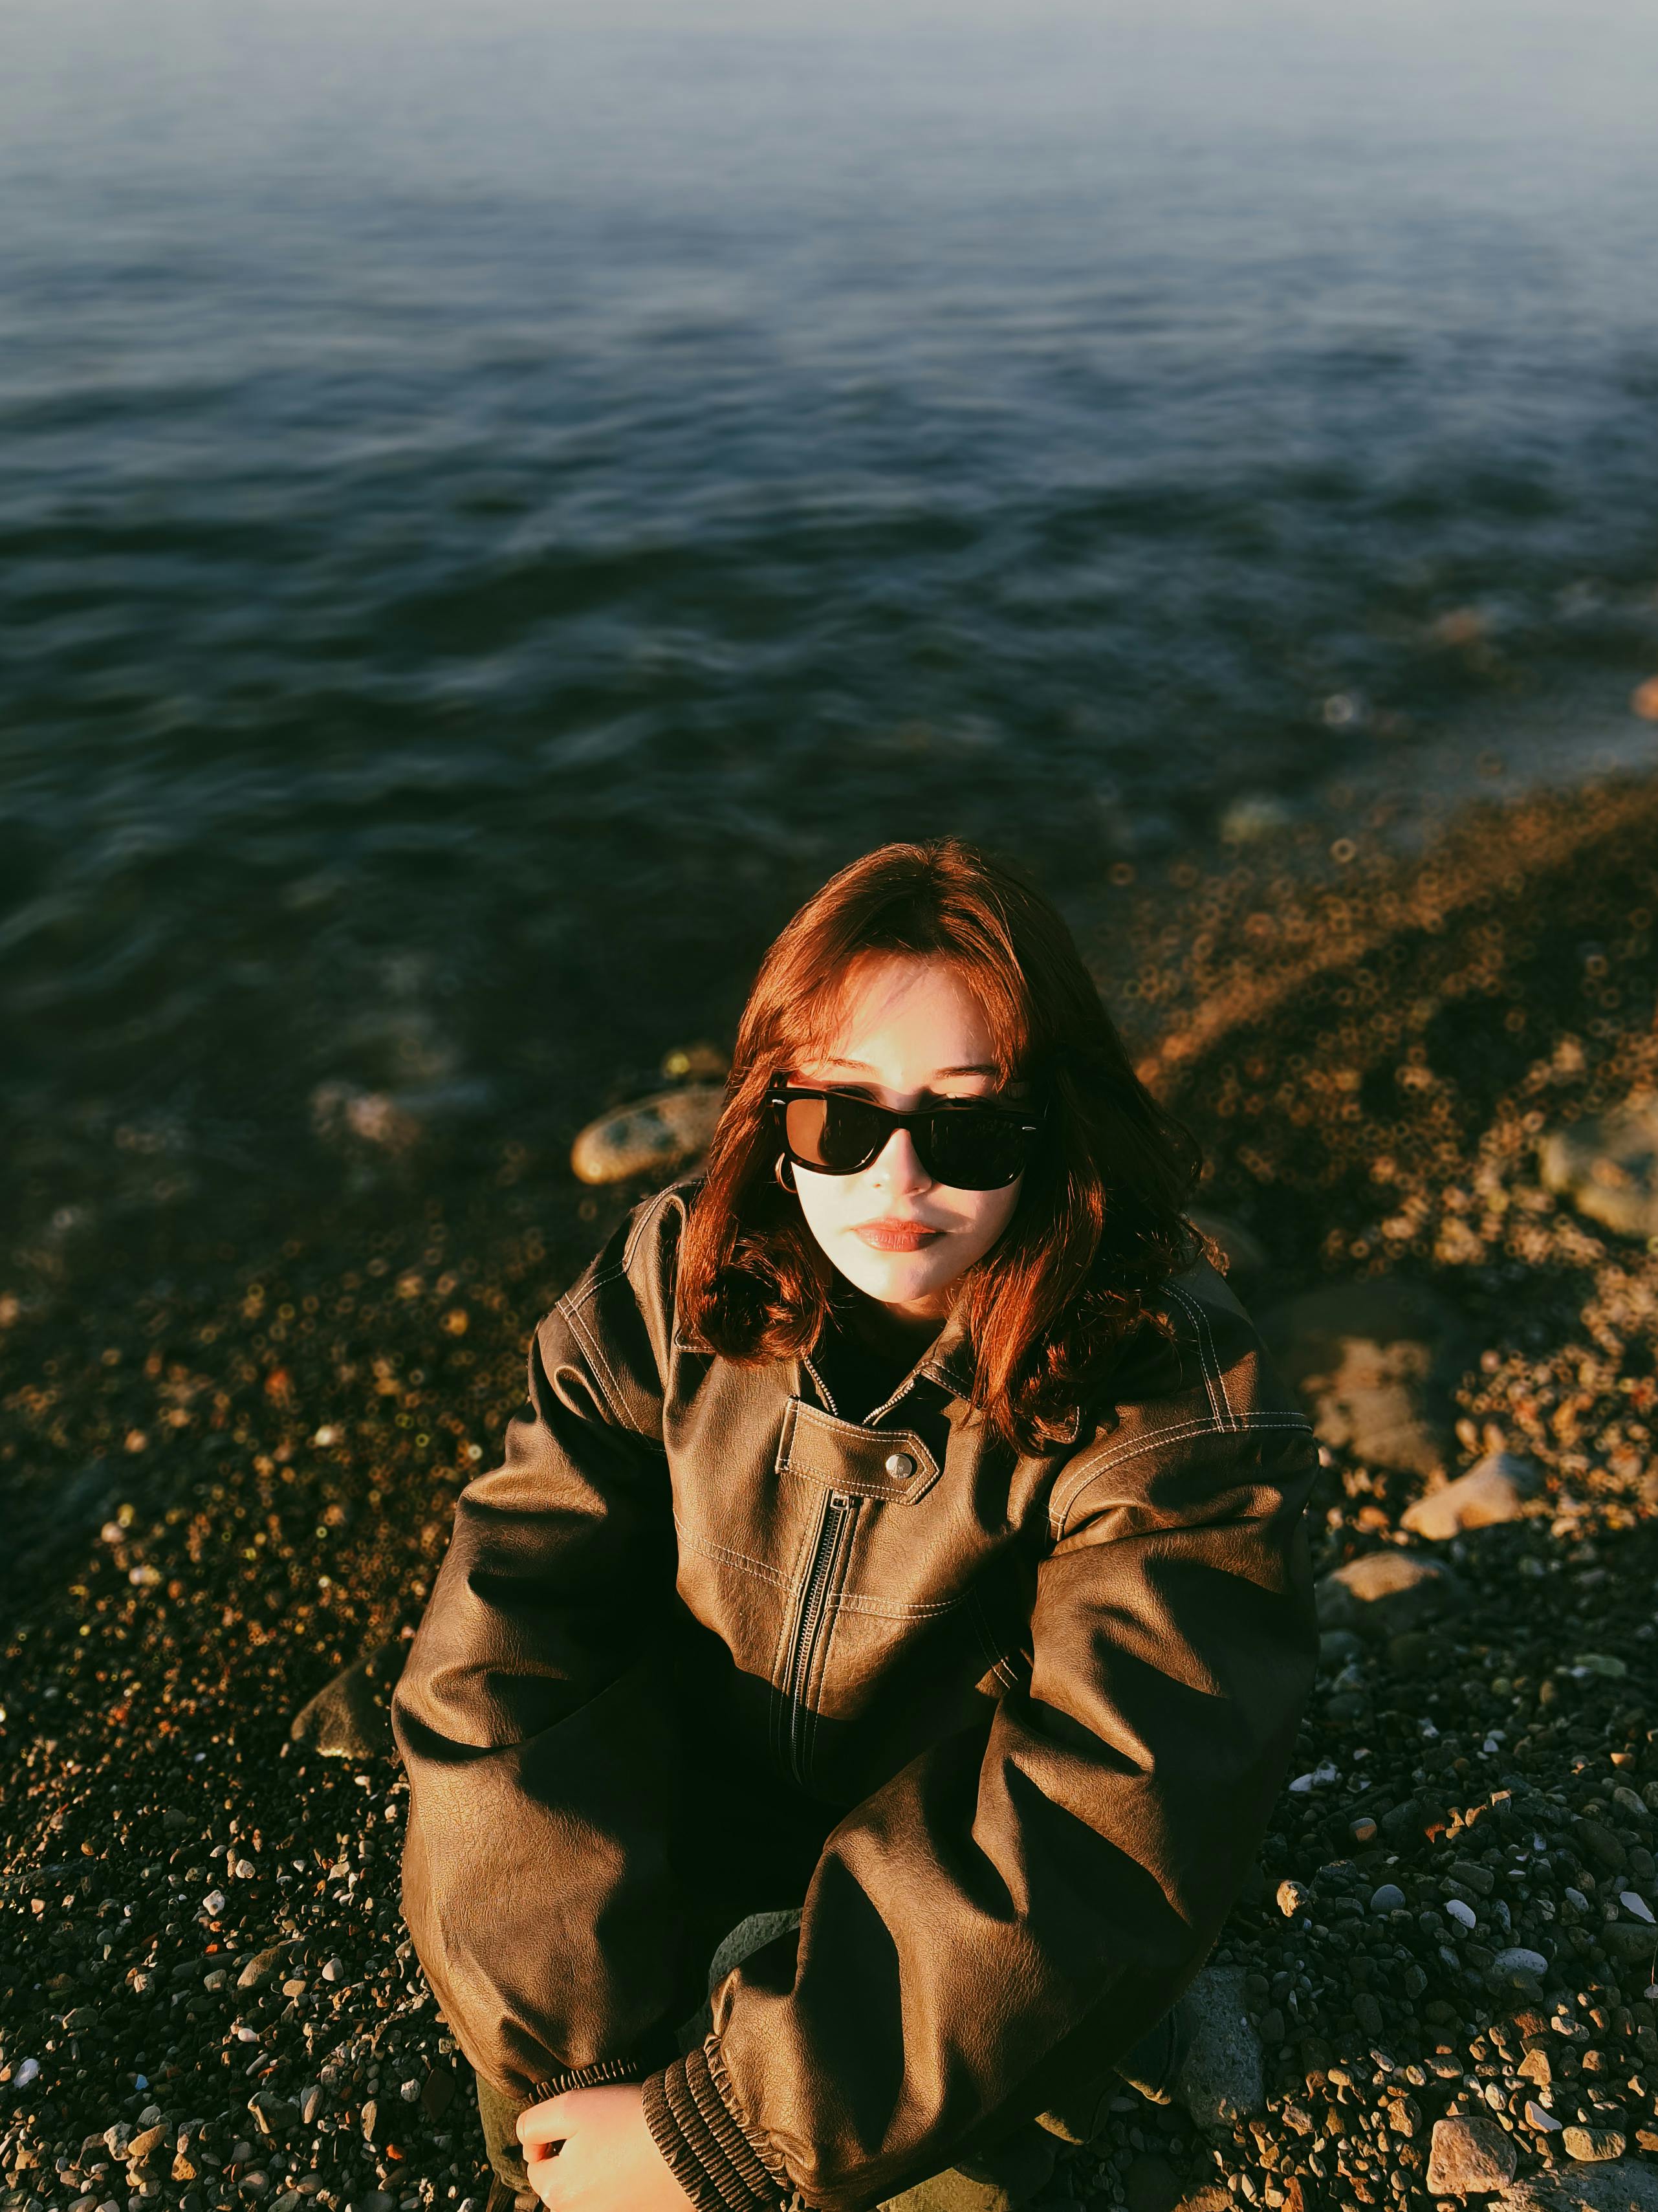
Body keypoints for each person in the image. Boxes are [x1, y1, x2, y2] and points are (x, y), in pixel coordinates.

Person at [390, 837, 1319, 2212]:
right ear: (770, 1109)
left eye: (967, 1126)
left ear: (1050, 1124)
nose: (896, 1180)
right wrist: (572, 2060)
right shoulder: (670, 1281)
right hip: (664, 1844)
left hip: (952, 1928)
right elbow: (503, 1638)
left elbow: (1109, 1814)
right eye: (839, 1119)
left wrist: (729, 2134)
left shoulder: (1163, 1387)